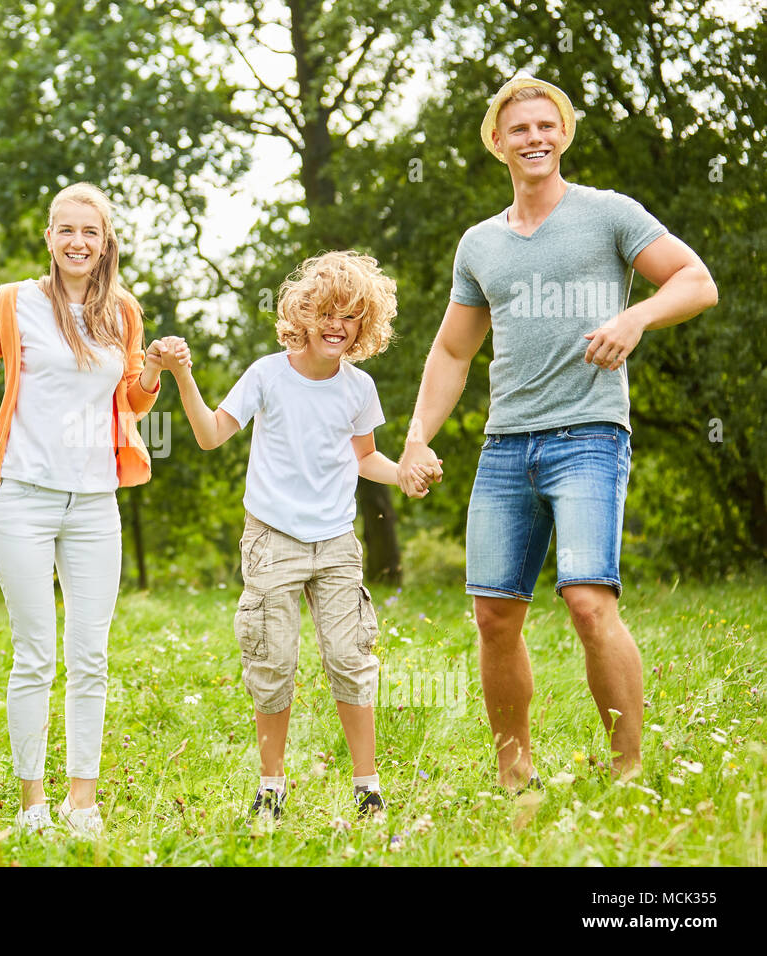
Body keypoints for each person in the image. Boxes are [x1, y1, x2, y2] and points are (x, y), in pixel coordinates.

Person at [397, 76, 719, 788]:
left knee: (586, 599)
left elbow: (696, 281)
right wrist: (417, 436)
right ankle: (515, 774)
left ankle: (628, 771)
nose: (534, 137)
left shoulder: (609, 214)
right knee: (492, 615)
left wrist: (634, 318)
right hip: (507, 447)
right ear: (497, 143)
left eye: (547, 125)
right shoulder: (479, 244)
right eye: (519, 129)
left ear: (564, 133)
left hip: (590, 438)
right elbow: (453, 351)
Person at [0, 183, 180, 837]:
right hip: (20, 495)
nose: (77, 242)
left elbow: (132, 400)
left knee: (91, 654)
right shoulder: (16, 303)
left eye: (89, 233)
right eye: (65, 230)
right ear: (48, 238)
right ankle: (32, 806)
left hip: (95, 501)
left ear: (105, 245)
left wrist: (153, 370)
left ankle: (83, 804)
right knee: (36, 653)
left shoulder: (122, 311)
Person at [165, 250, 428, 825]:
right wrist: (182, 374)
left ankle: (368, 788)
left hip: (335, 542)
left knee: (350, 655)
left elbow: (367, 460)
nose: (337, 324)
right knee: (272, 657)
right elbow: (211, 436)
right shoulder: (266, 374)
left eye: (352, 315)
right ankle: (271, 786)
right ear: (302, 315)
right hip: (272, 538)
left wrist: (404, 472)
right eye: (327, 311)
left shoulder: (359, 388)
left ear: (366, 326)